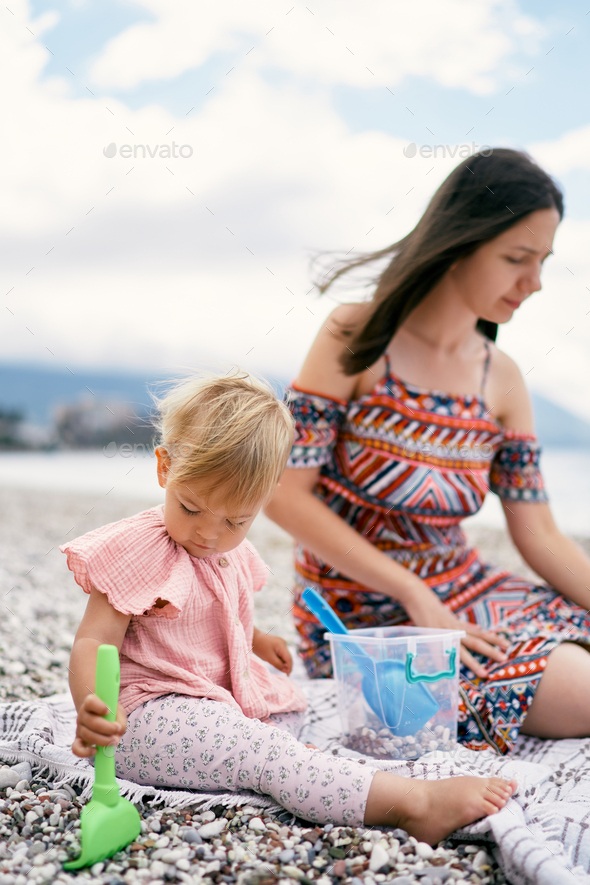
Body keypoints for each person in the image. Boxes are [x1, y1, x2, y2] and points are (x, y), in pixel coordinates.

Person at [62, 370, 516, 844]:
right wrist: (93, 704)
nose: (209, 535)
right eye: (191, 508)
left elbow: (212, 612)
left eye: (237, 519)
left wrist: (256, 641)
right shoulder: (138, 550)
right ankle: (412, 804)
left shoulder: (226, 550)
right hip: (146, 717)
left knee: (286, 705)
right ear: (164, 468)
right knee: (265, 752)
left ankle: (296, 766)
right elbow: (94, 639)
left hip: (214, 698)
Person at [264, 147, 590, 755]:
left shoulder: (503, 377)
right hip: (361, 617)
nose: (535, 283)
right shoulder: (356, 336)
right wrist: (416, 596)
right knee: (584, 691)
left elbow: (539, 533)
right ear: (458, 242)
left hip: (465, 587)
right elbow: (283, 495)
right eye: (517, 259)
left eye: (542, 261)